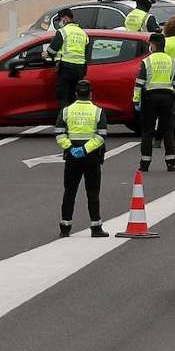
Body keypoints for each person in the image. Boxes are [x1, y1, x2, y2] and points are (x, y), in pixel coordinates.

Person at [54, 79, 109, 238]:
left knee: (69, 191)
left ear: (76, 94)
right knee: (93, 192)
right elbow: (101, 136)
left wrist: (70, 148)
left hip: (72, 156)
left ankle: (65, 227)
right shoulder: (97, 111)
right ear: (91, 94)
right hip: (92, 156)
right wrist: (86, 149)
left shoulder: (66, 111)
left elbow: (59, 133)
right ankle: (96, 227)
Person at [134, 32, 175, 172]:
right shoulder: (172, 61)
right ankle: (171, 162)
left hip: (150, 98)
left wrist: (136, 101)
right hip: (168, 98)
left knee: (148, 131)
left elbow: (139, 83)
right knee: (168, 131)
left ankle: (145, 163)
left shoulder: (147, 61)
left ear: (153, 45)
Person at [44, 8, 88, 109]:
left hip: (66, 68)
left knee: (63, 96)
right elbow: (86, 54)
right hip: (80, 70)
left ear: (66, 18)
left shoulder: (62, 32)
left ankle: (64, 116)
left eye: (60, 19)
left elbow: (52, 51)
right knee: (75, 96)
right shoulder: (83, 33)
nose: (59, 22)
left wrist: (45, 54)